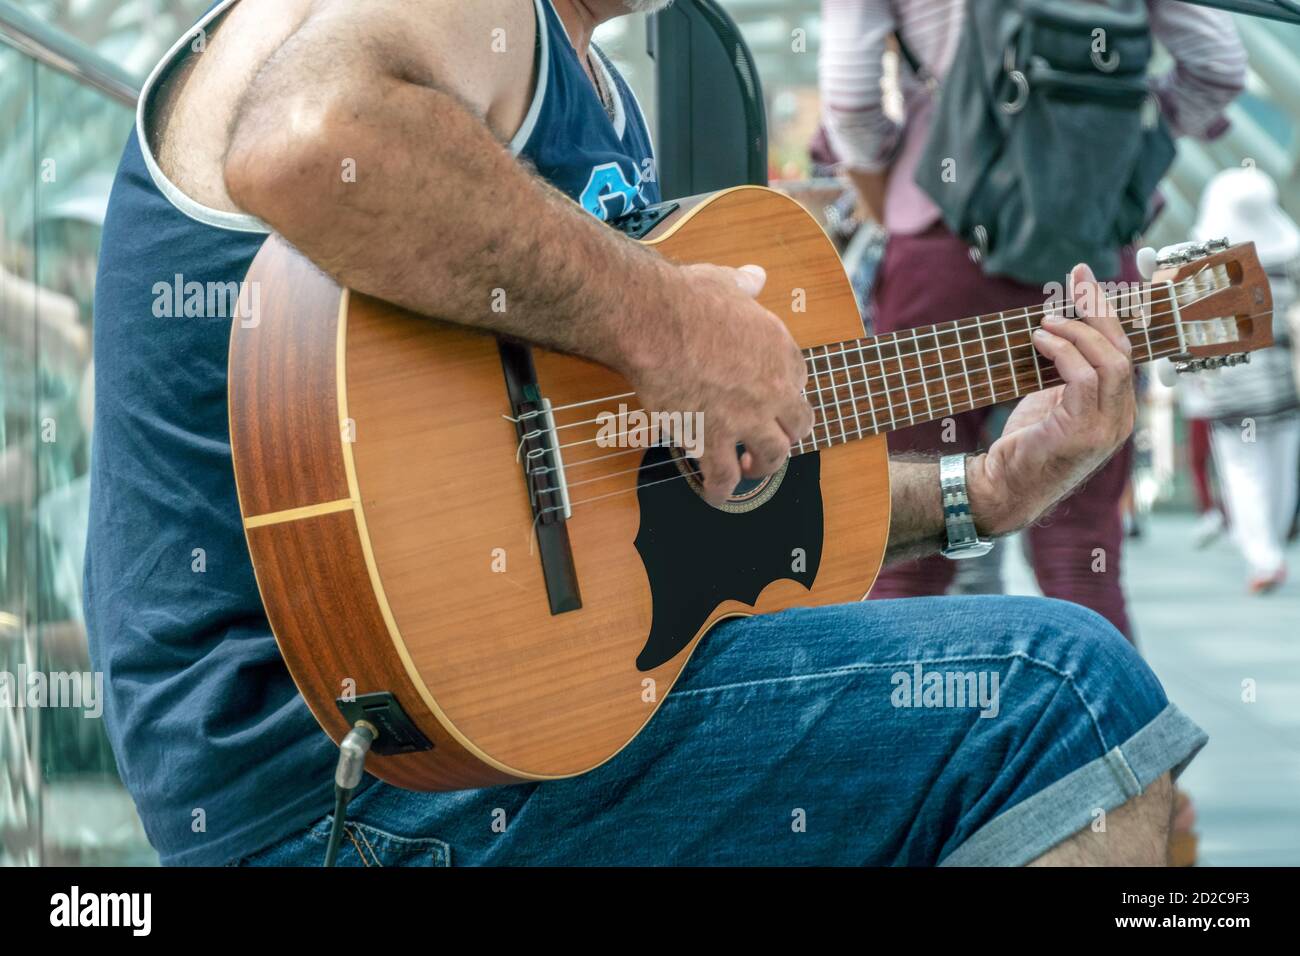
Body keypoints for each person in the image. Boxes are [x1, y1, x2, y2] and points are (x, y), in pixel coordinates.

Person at [84, 0, 1204, 867]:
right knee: (1063, 696)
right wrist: (670, 320)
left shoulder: (598, 90)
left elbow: (690, 508)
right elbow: (308, 135)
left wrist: (988, 487)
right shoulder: (470, 22)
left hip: (510, 737)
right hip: (362, 787)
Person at [818, 0, 1247, 640]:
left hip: (940, 247)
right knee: (1084, 553)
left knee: (907, 539)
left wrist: (899, 188)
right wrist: (1111, 153)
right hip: (1090, 247)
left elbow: (850, 100)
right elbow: (1217, 66)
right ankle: (1104, 734)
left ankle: (910, 730)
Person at [1188, 167, 1300, 593]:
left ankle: (1263, 555)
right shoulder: (1288, 256)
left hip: (1233, 386)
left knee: (1243, 471)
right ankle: (1272, 546)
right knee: (1281, 469)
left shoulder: (1213, 263)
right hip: (1285, 384)